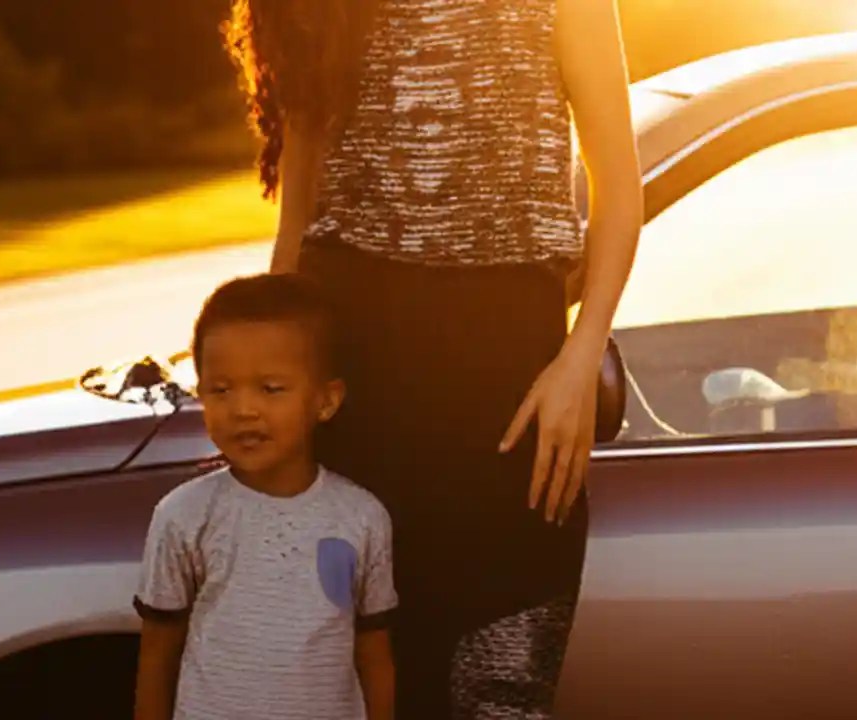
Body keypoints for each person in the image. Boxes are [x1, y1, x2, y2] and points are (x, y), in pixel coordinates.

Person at [224, 0, 642, 717]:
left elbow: (620, 191)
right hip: (354, 425)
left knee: (502, 697)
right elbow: (295, 234)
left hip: (510, 424)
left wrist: (579, 357)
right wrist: (268, 413)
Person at [132, 274, 398, 720]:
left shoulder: (362, 518)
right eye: (221, 389)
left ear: (326, 400)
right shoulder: (183, 517)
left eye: (271, 389)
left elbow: (373, 655)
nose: (244, 409)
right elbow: (157, 657)